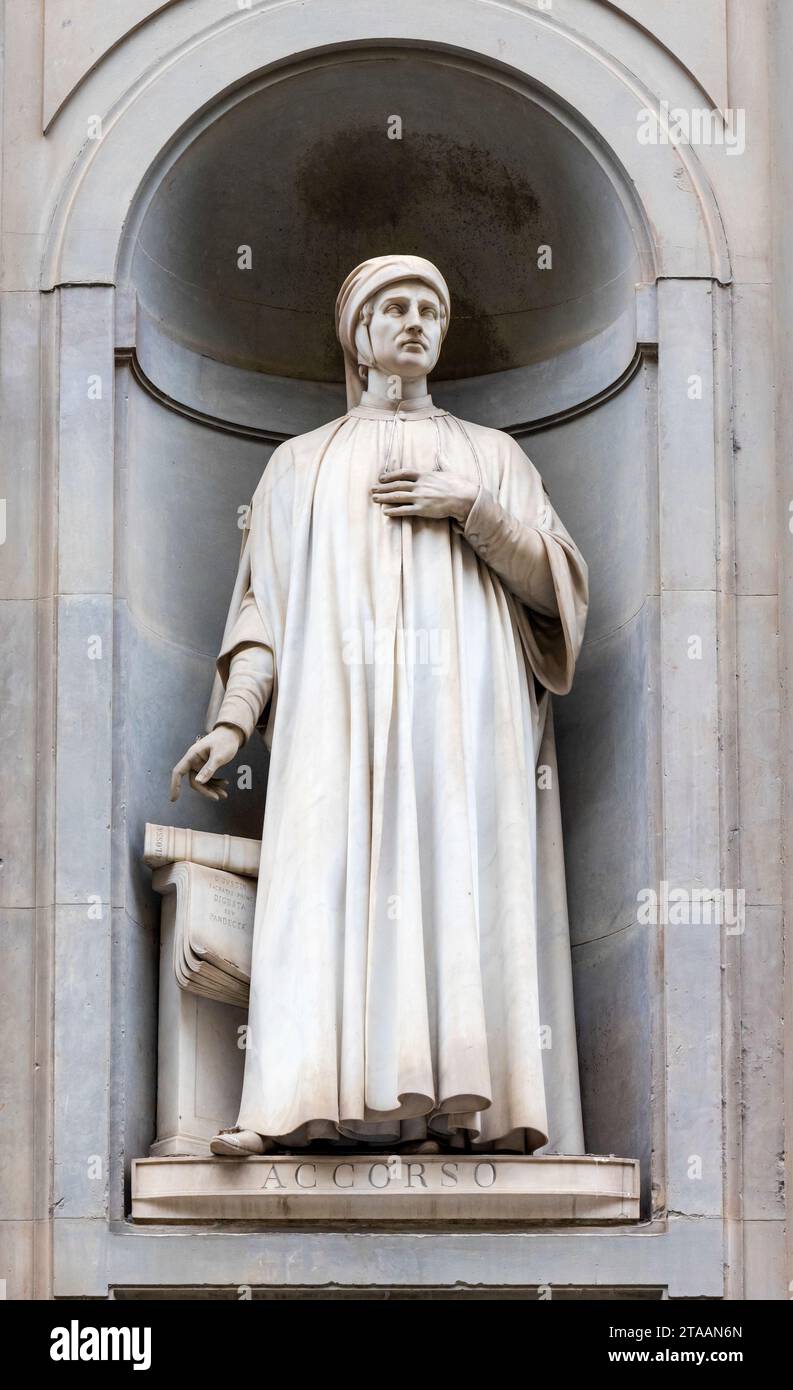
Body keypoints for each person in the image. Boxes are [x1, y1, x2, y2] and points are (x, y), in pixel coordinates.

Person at [170, 255, 589, 1157]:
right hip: (336, 719)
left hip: (462, 721)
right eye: (392, 307)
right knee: (319, 874)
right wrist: (232, 723)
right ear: (357, 336)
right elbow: (262, 613)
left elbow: (558, 596)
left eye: (428, 308)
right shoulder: (299, 465)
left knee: (454, 878)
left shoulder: (493, 458)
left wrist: (473, 510)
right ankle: (293, 1105)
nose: (413, 322)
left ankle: (463, 1110)